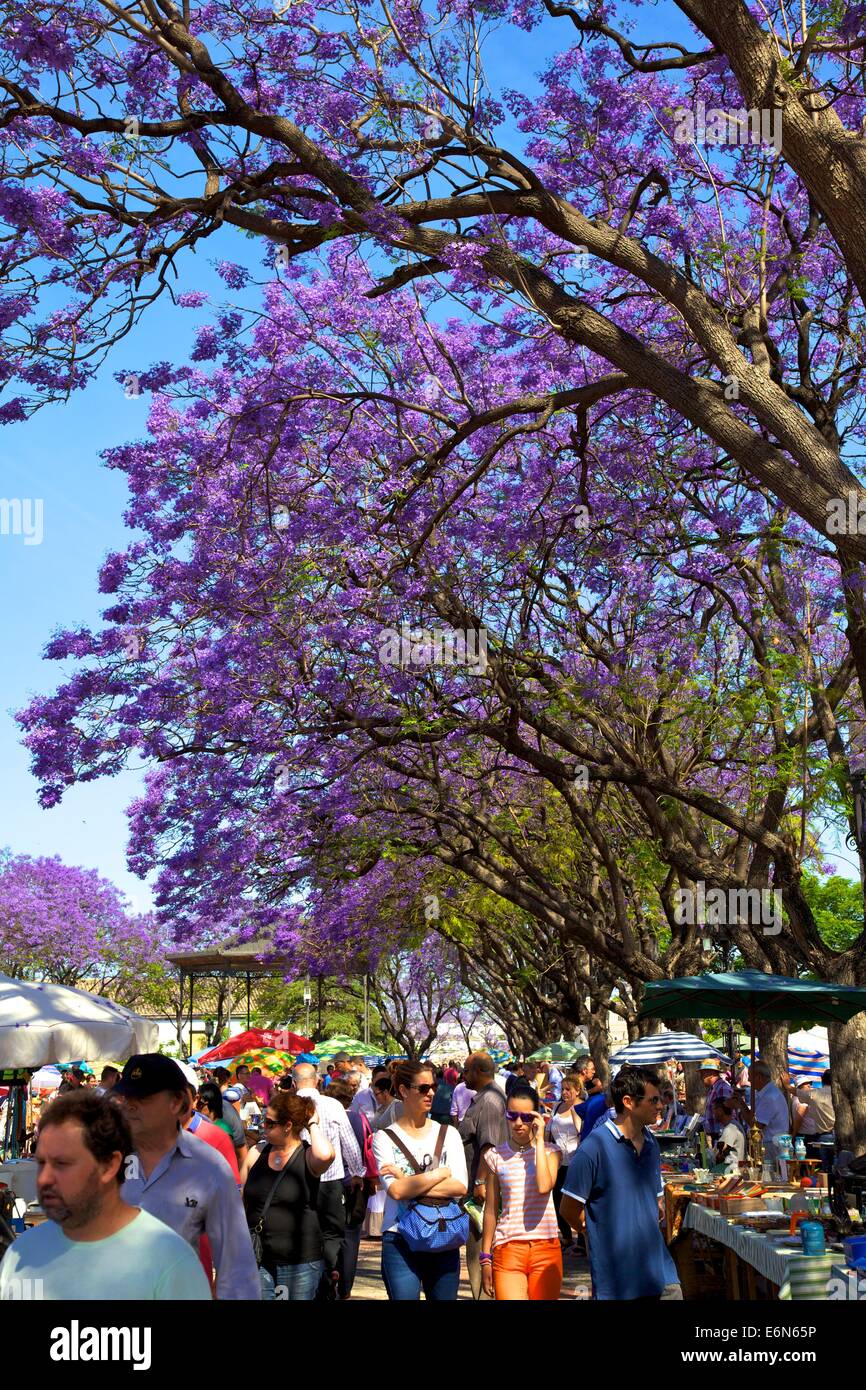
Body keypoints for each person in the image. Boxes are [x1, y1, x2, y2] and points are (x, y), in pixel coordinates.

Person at [0, 1090, 212, 1301]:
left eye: (62, 1164)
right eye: (42, 1163)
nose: (44, 1178)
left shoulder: (170, 1261)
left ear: (109, 1166)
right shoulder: (21, 1254)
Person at [114, 1053, 261, 1299]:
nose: (130, 1105)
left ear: (177, 1102)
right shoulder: (103, 1158)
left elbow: (236, 1268)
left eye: (143, 1097)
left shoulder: (208, 1167)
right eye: (126, 1096)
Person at [560, 1065, 682, 1301]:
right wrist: (598, 1233)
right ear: (628, 1102)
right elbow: (568, 1209)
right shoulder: (594, 1147)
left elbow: (653, 1201)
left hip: (659, 1269)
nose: (660, 1105)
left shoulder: (651, 1143)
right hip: (617, 1278)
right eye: (653, 1099)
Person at [371, 1060, 468, 1300]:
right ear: (403, 1091)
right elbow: (395, 1191)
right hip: (399, 1239)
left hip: (443, 1235)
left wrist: (409, 1181)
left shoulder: (449, 1133)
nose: (432, 1093)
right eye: (423, 1088)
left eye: (433, 1086)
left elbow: (459, 1186)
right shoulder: (384, 1138)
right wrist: (440, 1174)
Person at [240, 1091, 334, 1300]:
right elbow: (240, 1200)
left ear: (288, 1125)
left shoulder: (308, 1155)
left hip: (299, 1261)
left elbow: (326, 1155)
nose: (264, 1127)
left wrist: (313, 1124)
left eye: (270, 1123)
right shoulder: (257, 1153)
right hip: (258, 1257)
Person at [480, 1085, 562, 1300]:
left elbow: (544, 1186)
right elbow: (490, 1210)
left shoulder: (551, 1152)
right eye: (512, 1115)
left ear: (536, 1117)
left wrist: (539, 1140)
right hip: (507, 1249)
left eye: (525, 1117)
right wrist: (485, 1257)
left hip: (546, 1247)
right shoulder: (495, 1156)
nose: (518, 1123)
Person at [292, 1061, 365, 1299]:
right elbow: (350, 1143)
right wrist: (357, 1172)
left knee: (302, 1231)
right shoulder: (333, 1105)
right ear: (317, 1081)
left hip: (299, 1181)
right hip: (332, 1182)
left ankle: (311, 1278)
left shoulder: (288, 1105)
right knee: (332, 1233)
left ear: (294, 1083)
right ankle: (327, 1271)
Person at [459, 1051, 508, 1300]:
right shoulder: (484, 1098)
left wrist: (480, 1183)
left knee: (480, 1253)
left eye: (466, 1071)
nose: (463, 1075)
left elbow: (489, 1148)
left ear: (479, 1071)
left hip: (483, 1191)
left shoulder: (489, 1101)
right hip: (478, 1188)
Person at [326, 1079, 374, 1299]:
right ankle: (345, 1288)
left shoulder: (322, 1116)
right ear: (349, 1098)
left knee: (328, 1233)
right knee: (351, 1236)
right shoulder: (357, 1117)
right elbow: (362, 1150)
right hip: (353, 1184)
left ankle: (329, 1279)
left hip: (327, 1184)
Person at [548, 1071, 583, 1244]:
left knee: (576, 1201)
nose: (564, 1093)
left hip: (576, 1161)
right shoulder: (556, 1107)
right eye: (562, 1089)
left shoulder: (582, 1107)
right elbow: (549, 1133)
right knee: (557, 1200)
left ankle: (583, 1239)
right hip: (558, 1162)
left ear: (577, 1090)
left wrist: (576, 1112)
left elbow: (582, 1133)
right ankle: (567, 1237)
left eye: (568, 1089)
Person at [732, 1061, 789, 1158]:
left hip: (771, 1146)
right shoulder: (765, 1094)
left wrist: (741, 1106)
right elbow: (754, 1117)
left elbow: (756, 1125)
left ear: (759, 1077)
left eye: (750, 1076)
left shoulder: (769, 1096)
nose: (749, 1080)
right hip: (769, 1144)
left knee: (769, 1173)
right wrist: (741, 1103)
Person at [792, 1069, 836, 1157]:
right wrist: (794, 1134)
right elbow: (799, 1117)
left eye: (810, 1083)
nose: (809, 1085)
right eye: (805, 1084)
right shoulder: (804, 1099)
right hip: (808, 1135)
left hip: (809, 1135)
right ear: (799, 1086)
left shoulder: (798, 1099)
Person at [212, 1067, 248, 1157]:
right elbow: (239, 1123)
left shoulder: (213, 1097)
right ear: (227, 1079)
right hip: (234, 1136)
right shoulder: (232, 1094)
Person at [700, 1062, 732, 1141]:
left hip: (722, 1136)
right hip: (717, 1136)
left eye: (703, 1074)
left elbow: (727, 1114)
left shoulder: (722, 1088)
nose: (701, 1078)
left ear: (711, 1074)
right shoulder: (714, 1088)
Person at [713, 1098, 746, 1172]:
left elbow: (720, 1154)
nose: (713, 1113)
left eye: (714, 1109)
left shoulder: (731, 1128)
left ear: (720, 1111)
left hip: (731, 1170)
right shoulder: (732, 1125)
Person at [575, 1075, 609, 1142]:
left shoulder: (594, 1100)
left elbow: (599, 1085)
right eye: (592, 1069)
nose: (593, 1072)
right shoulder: (595, 1100)